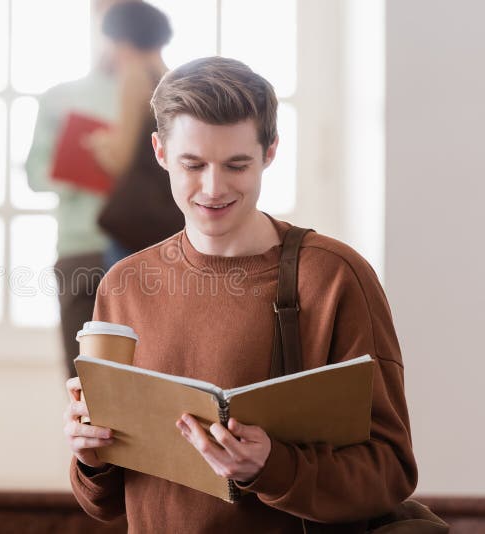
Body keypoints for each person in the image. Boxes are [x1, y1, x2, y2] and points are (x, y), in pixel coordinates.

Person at [63, 57, 417, 531]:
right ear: (160, 151)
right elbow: (108, 504)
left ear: (270, 151)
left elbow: (390, 472)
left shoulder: (335, 277)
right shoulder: (125, 284)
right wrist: (90, 457)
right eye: (193, 164)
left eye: (236, 164)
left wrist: (272, 468)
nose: (213, 188)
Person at [25, 0, 124, 378]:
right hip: (79, 247)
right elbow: (35, 174)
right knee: (82, 383)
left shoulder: (157, 96)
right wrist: (86, 160)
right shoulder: (60, 97)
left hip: (141, 250)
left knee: (144, 384)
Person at [86, 1, 183, 269]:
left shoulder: (135, 76)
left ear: (123, 40)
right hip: (171, 219)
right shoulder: (174, 78)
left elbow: (121, 160)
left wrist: (100, 144)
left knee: (123, 306)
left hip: (135, 223)